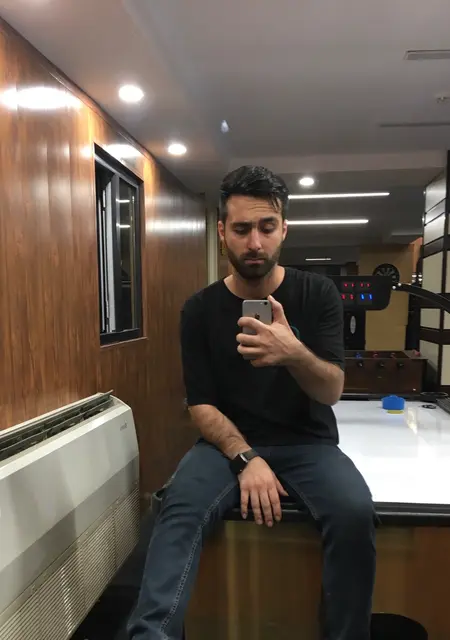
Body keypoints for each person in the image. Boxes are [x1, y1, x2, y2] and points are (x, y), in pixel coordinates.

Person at [127, 165, 376, 640]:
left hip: (309, 444)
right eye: (242, 229)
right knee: (176, 511)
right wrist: (246, 459)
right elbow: (201, 405)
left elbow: (331, 391)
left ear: (284, 230)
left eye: (267, 227)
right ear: (222, 233)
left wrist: (293, 353)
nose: (255, 243)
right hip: (225, 447)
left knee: (354, 513)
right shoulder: (199, 309)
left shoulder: (317, 293)